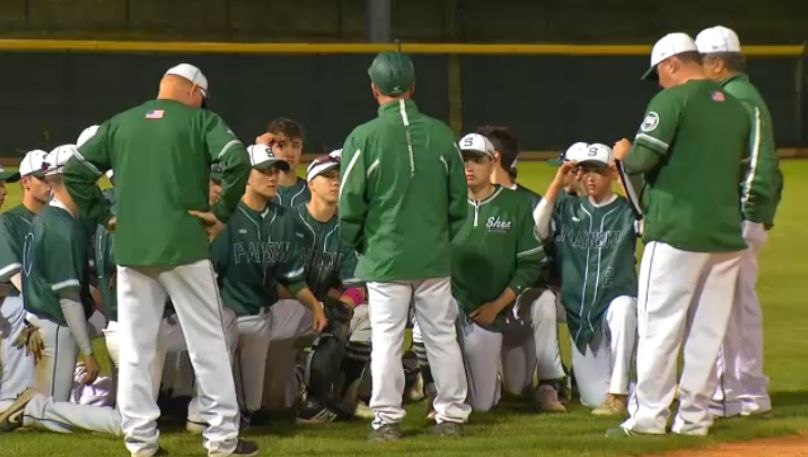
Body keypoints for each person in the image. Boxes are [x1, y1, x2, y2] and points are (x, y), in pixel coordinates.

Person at [62, 63, 257, 457]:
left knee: (136, 349)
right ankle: (222, 440)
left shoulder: (121, 122)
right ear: (194, 92)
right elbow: (238, 161)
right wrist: (221, 212)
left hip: (132, 249)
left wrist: (104, 215)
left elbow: (76, 171)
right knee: (208, 343)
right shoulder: (201, 120)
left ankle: (140, 442)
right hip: (185, 246)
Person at [607, 33, 749, 437]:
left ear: (672, 64)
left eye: (659, 73)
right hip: (725, 235)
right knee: (707, 333)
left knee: (659, 327)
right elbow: (740, 170)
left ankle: (648, 418)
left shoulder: (670, 101)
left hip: (676, 232)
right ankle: (694, 419)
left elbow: (640, 160)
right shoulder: (736, 108)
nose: (659, 82)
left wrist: (623, 154)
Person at [339, 51, 470, 440]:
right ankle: (451, 416)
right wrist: (440, 240)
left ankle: (387, 420)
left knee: (387, 341)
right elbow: (459, 204)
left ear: (374, 88)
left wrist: (362, 244)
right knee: (441, 337)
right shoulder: (443, 134)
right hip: (433, 257)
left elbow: (349, 205)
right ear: (412, 87)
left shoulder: (363, 137)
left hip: (384, 257)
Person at [204, 144, 327, 428]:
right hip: (226, 316)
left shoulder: (283, 219)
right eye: (264, 171)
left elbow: (293, 277)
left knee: (253, 405)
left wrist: (315, 307)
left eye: (276, 171)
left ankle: (313, 393)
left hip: (264, 314)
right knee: (234, 401)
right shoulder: (225, 218)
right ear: (246, 177)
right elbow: (209, 277)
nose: (273, 177)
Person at [696, 25, 784, 418]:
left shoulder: (741, 98)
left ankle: (744, 392)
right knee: (728, 306)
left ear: (717, 64)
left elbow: (761, 162)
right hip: (731, 215)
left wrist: (750, 212)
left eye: (700, 61)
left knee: (734, 306)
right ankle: (734, 391)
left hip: (738, 217)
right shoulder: (730, 96)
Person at [534, 143, 638, 416]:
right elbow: (536, 231)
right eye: (586, 170)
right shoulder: (568, 208)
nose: (591, 177)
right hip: (580, 314)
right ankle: (636, 385)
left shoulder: (626, 210)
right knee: (592, 399)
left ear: (611, 174)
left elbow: (647, 222)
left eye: (599, 171)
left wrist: (624, 177)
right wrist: (556, 184)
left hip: (612, 306)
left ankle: (619, 393)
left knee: (624, 307)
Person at [449, 133, 543, 412]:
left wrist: (496, 305)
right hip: (451, 306)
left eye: (477, 160)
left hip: (491, 313)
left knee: (481, 405)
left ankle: (488, 380)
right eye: (464, 160)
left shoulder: (514, 204)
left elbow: (529, 265)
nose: (469, 167)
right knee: (427, 321)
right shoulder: (444, 204)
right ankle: (434, 390)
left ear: (493, 163)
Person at [16, 145, 100, 402]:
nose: (93, 187)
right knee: (51, 410)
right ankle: (118, 421)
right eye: (87, 181)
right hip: (56, 326)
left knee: (48, 405)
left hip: (42, 320)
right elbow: (68, 298)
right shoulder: (62, 227)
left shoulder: (48, 217)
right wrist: (88, 353)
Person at [292, 152, 370, 423]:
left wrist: (345, 304)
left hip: (319, 308)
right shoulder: (290, 221)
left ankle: (328, 399)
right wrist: (319, 303)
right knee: (273, 400)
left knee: (360, 316)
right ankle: (299, 381)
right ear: (311, 183)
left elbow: (357, 285)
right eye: (327, 176)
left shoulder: (343, 230)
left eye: (338, 177)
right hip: (284, 305)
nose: (335, 182)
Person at [0, 150, 48, 412]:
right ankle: (11, 396)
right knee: (21, 311)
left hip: (10, 301)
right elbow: (13, 276)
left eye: (3, 185)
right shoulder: (8, 222)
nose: (3, 191)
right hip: (14, 305)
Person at [256, 118, 309, 207]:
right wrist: (260, 149)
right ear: (270, 147)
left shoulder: (313, 192)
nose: (290, 153)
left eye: (295, 146)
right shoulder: (257, 191)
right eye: (282, 145)